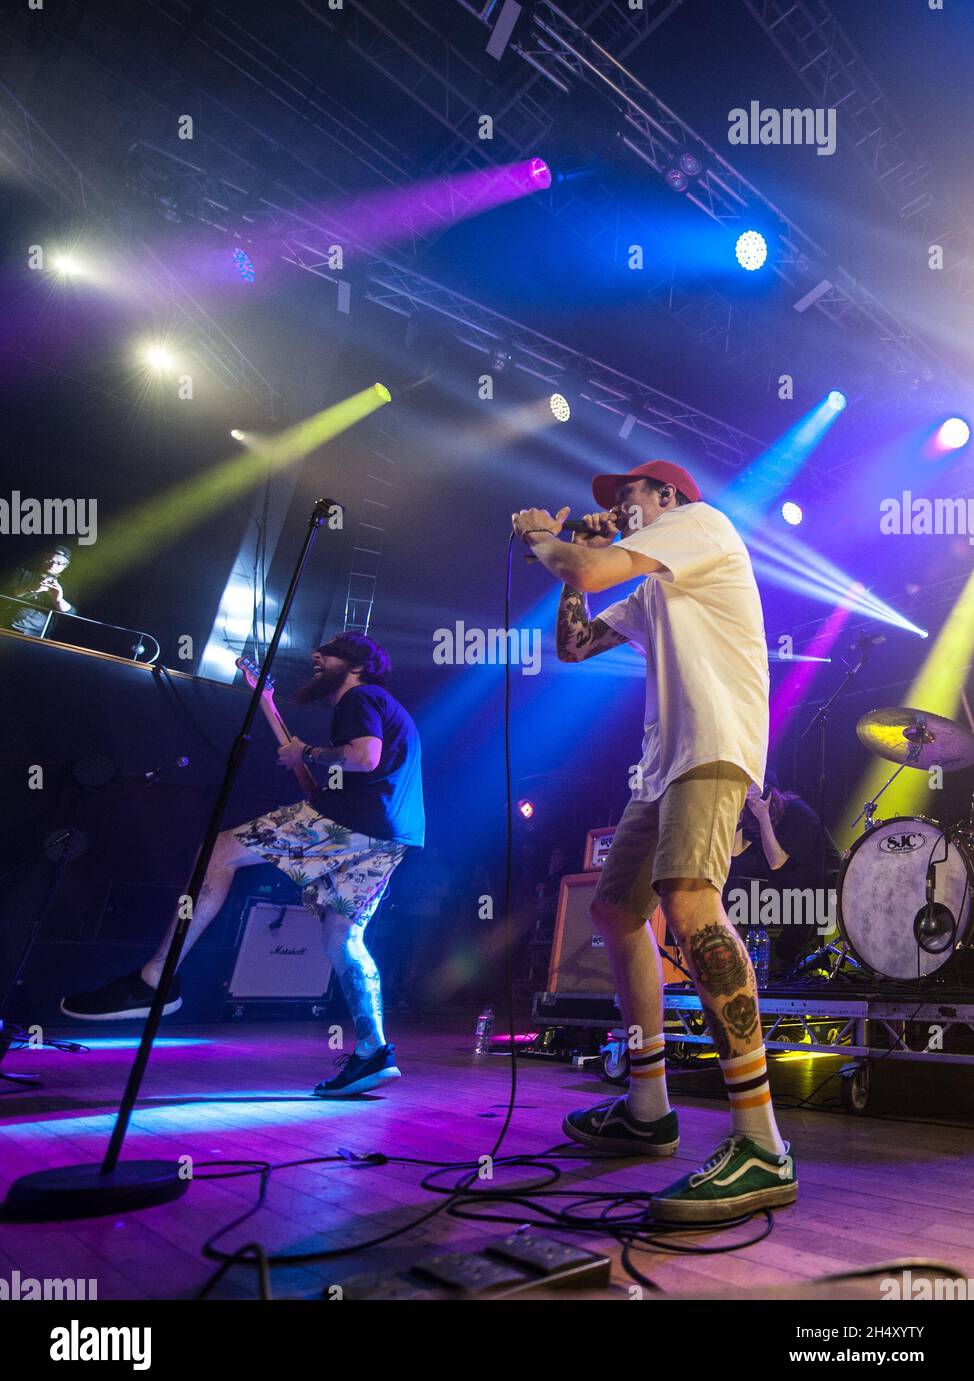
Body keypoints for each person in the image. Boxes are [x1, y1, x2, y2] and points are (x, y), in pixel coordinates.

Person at [512, 460, 797, 1224]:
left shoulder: (701, 528)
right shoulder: (653, 584)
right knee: (613, 909)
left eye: (628, 495)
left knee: (690, 900)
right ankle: (647, 1105)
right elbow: (572, 644)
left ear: (667, 497)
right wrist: (570, 561)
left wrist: (549, 534)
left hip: (713, 746)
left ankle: (762, 1143)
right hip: (660, 766)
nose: (619, 507)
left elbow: (586, 561)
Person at [61, 632, 425, 1098]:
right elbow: (343, 779)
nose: (317, 656)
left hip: (356, 821)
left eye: (329, 652)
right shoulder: (382, 706)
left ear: (355, 665)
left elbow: (363, 757)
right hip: (390, 835)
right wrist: (279, 721)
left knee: (219, 851)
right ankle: (373, 1051)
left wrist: (306, 752)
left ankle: (154, 980)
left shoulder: (361, 696)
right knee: (343, 937)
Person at [728, 772, 839, 973]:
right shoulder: (755, 817)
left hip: (819, 890)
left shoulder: (795, 811)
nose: (748, 797)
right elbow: (735, 851)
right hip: (788, 893)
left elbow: (776, 862)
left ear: (768, 790)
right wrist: (738, 815)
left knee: (788, 950)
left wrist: (763, 817)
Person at [0, 544, 74, 636]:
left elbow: (72, 614)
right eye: (50, 560)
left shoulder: (68, 585)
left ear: (65, 566)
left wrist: (58, 600)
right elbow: (4, 596)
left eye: (59, 563)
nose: (53, 565)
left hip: (38, 636)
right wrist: (30, 588)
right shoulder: (22, 573)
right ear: (43, 559)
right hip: (7, 628)